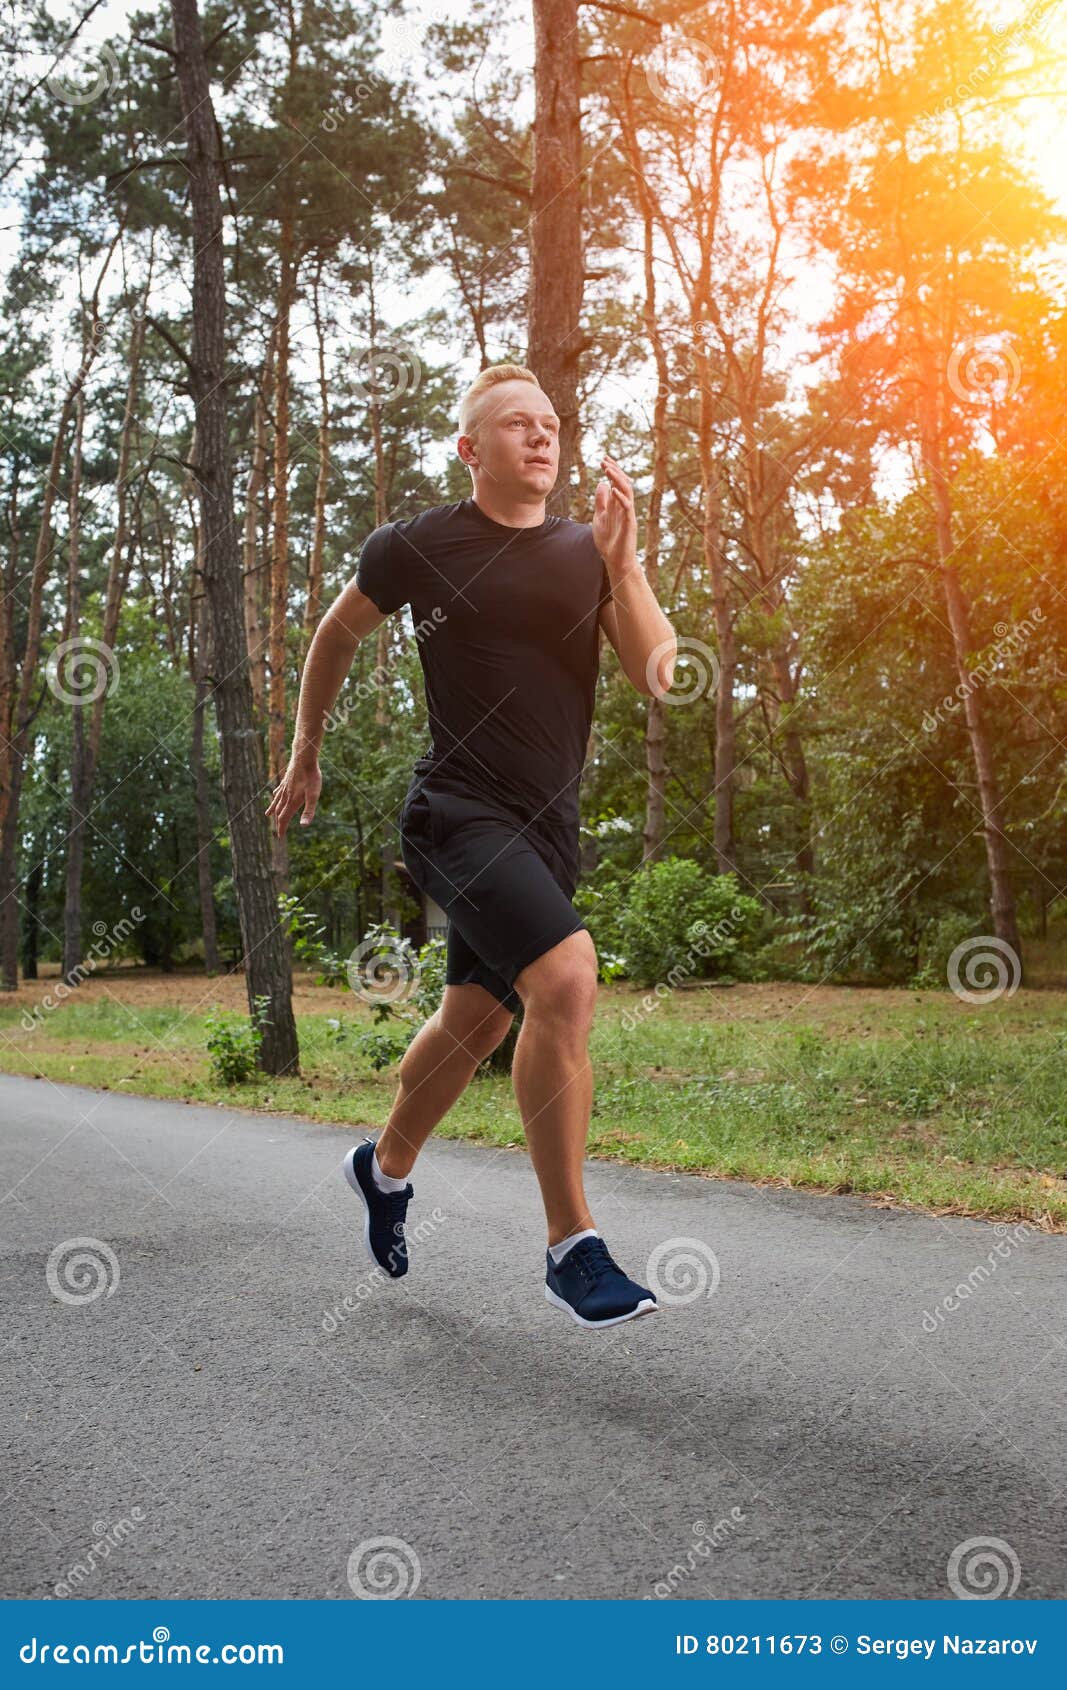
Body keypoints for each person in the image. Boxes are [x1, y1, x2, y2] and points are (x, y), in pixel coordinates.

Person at [267, 364, 677, 1327]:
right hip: (454, 811)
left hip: (546, 830)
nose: (541, 438)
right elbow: (335, 633)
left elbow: (660, 675)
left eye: (551, 425)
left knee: (476, 1024)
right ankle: (573, 1247)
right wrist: (306, 753)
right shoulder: (418, 545)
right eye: (515, 425)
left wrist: (626, 563)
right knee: (568, 979)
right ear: (469, 449)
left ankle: (382, 1168)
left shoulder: (588, 551)